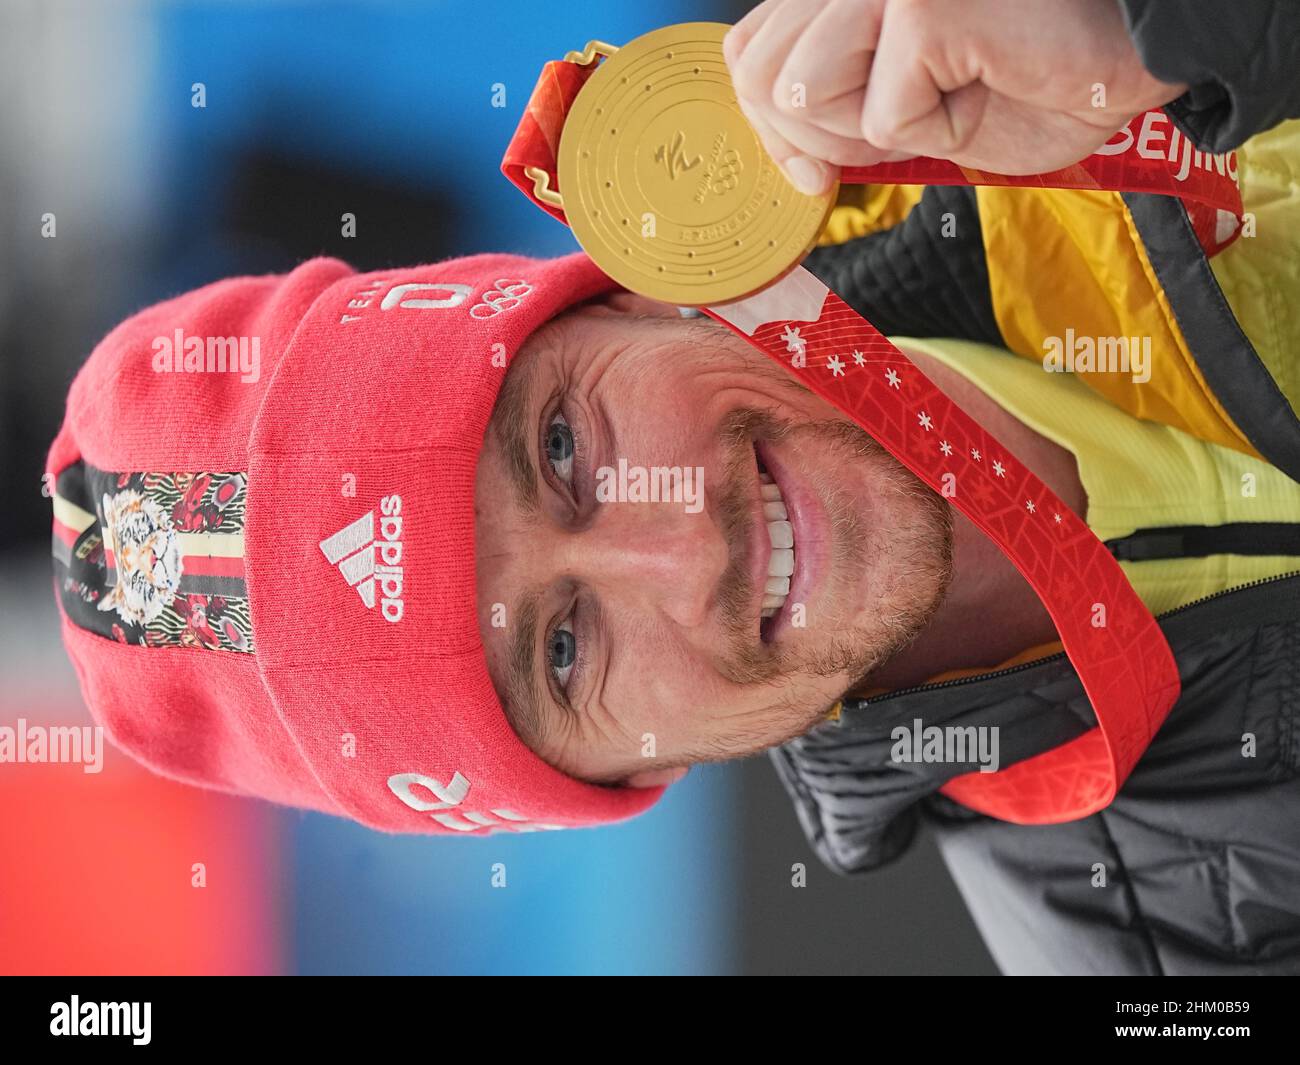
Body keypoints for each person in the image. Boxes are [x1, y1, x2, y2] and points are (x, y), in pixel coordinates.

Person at [48, 1, 1300, 973]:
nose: (682, 553)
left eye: (557, 451)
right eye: (562, 652)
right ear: (618, 779)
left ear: (623, 297)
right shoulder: (1182, 966)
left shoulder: (1078, 46)